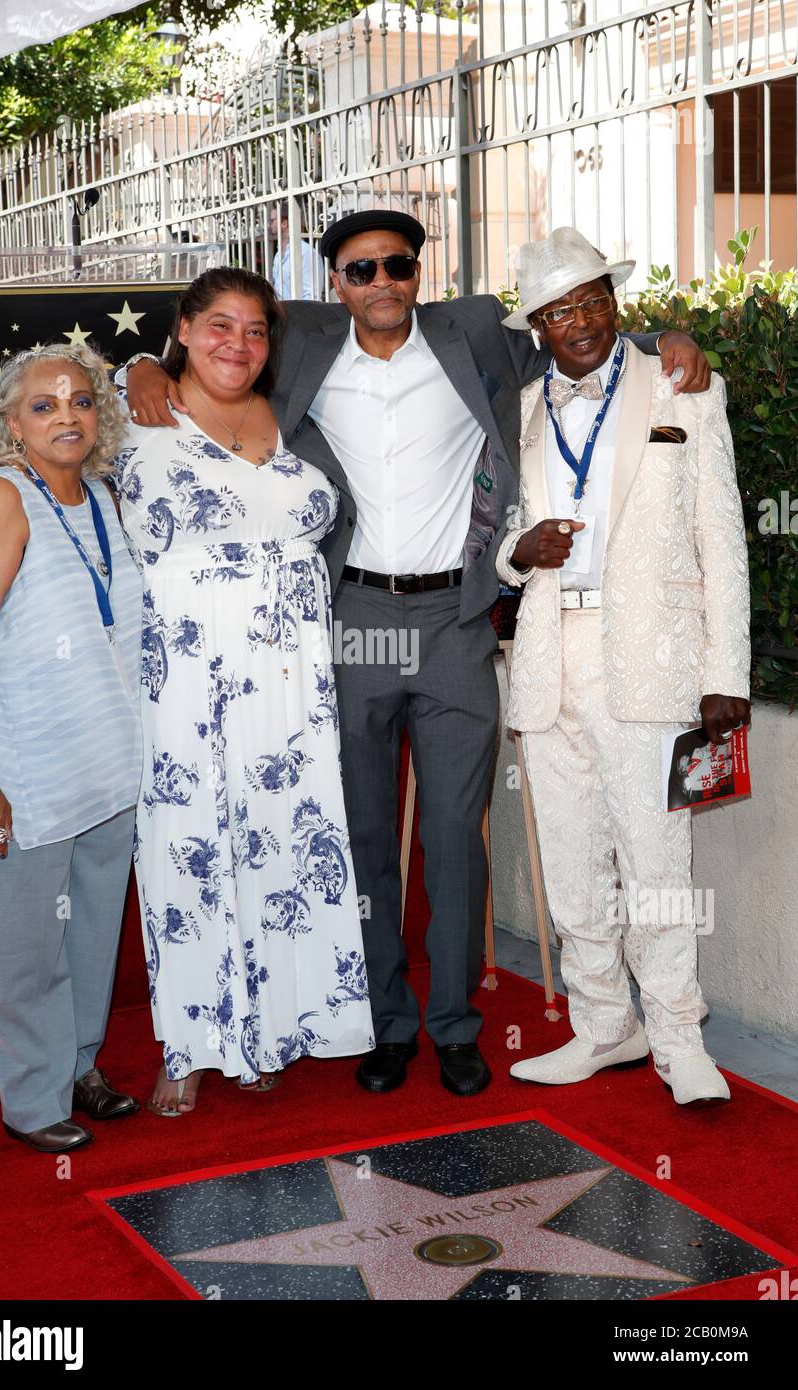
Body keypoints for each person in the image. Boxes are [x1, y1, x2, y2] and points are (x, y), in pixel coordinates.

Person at [124, 210, 711, 1099]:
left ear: (418, 272)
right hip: (353, 613)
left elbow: (583, 338)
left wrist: (667, 336)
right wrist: (141, 366)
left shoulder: (473, 331)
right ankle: (385, 1023)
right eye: (361, 271)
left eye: (398, 265)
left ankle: (454, 1026)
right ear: (335, 285)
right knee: (361, 834)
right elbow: (215, 346)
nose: (381, 282)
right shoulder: (300, 346)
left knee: (454, 836)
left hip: (454, 619)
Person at [497, 226, 751, 1105]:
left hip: (649, 660)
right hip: (546, 659)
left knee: (657, 860)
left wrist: (728, 673)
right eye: (560, 309)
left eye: (594, 300)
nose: (581, 321)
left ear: (617, 304)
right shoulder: (524, 409)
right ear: (536, 327)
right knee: (571, 863)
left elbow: (724, 539)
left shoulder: (685, 389)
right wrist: (514, 555)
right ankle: (605, 1026)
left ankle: (680, 1037)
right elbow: (494, 533)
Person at [114, 266, 373, 1115]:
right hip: (186, 676)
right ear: (182, 329)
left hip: (291, 681)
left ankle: (267, 1026)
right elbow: (42, 414)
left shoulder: (292, 407)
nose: (239, 343)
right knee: (189, 844)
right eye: (218, 325)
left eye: (256, 329)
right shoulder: (127, 415)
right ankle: (191, 1041)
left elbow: (471, 340)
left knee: (280, 842)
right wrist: (130, 370)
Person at [0, 345, 143, 1152]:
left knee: (90, 937)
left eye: (83, 402)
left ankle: (78, 1067)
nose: (68, 417)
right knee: (18, 950)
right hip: (16, 770)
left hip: (101, 766)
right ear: (11, 423)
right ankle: (32, 1099)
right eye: (45, 405)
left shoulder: (100, 497)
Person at [270, 203, 322, 301]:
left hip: (300, 314)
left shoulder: (306, 252)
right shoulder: (278, 255)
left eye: (272, 220)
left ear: (284, 223)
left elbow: (312, 294)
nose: (270, 224)